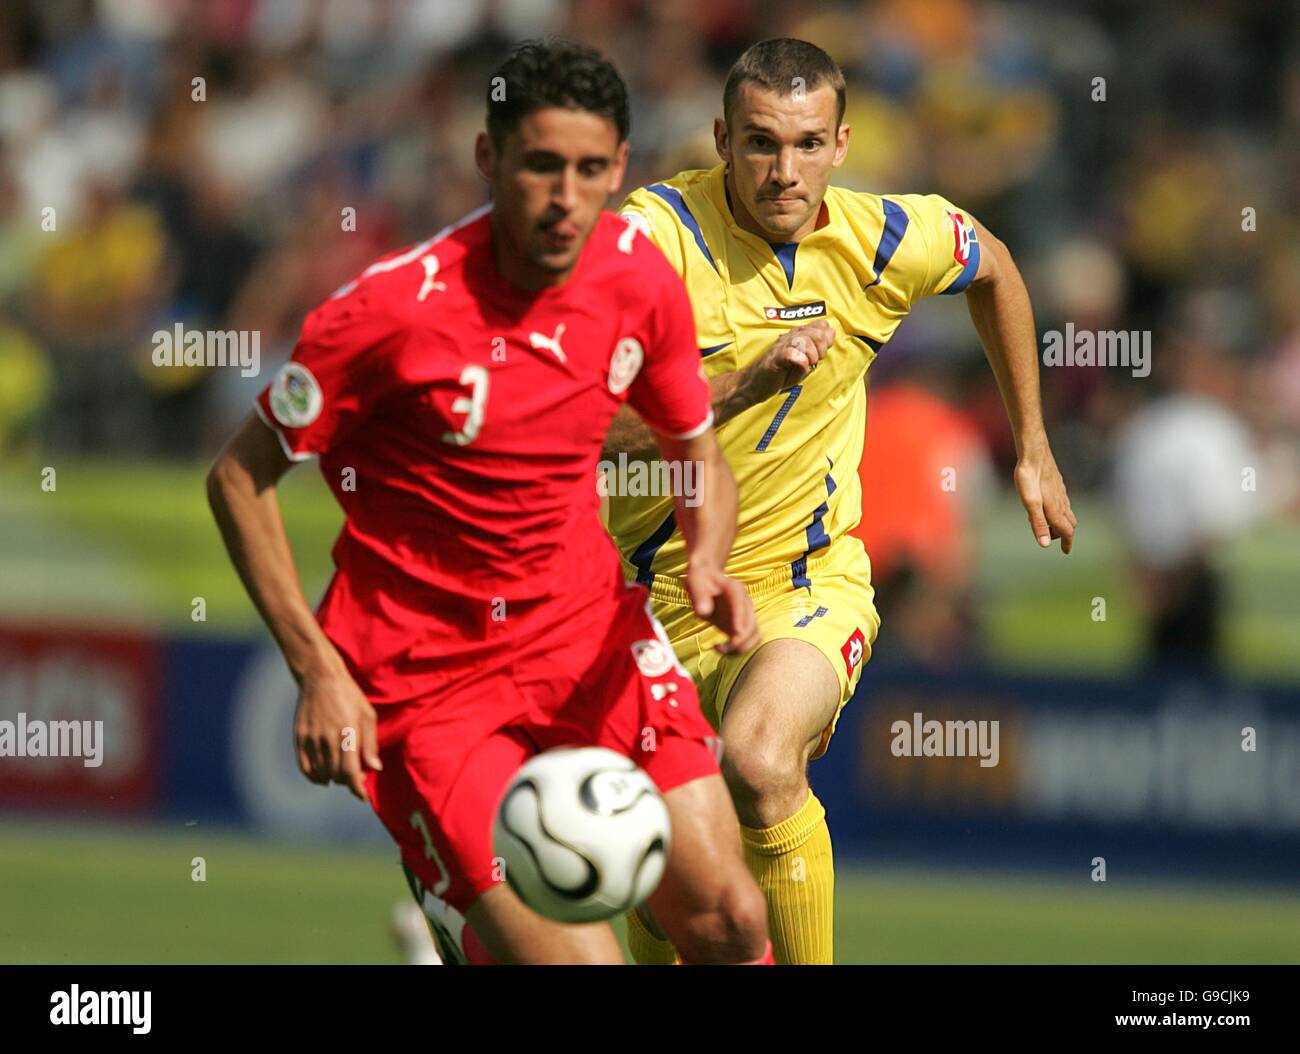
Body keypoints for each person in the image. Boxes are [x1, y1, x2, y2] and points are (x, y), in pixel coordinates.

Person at [207, 38, 772, 965]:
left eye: (591, 170)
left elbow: (692, 444)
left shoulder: (637, 278)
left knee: (730, 920)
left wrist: (708, 555)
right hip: (428, 684)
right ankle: (464, 922)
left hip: (589, 639)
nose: (565, 197)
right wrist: (316, 668)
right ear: (488, 160)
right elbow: (237, 476)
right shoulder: (389, 311)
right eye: (541, 166)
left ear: (620, 169)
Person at [605, 38, 1075, 964]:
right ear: (720, 139)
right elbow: (591, 429)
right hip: (641, 606)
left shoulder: (886, 238)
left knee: (760, 761)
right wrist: (739, 385)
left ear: (844, 142)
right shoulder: (651, 240)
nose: (786, 171)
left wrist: (1034, 447)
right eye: (760, 143)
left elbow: (998, 268)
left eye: (809, 143)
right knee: (661, 886)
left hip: (803, 586)